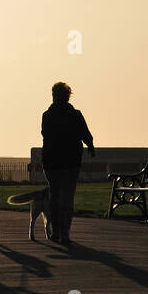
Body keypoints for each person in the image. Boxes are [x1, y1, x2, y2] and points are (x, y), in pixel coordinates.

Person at [41, 82, 94, 246]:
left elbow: (44, 133)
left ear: (53, 95)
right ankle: (65, 233)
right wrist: (90, 145)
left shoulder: (47, 115)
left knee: (55, 196)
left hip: (52, 161)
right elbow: (85, 134)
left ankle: (56, 230)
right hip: (71, 161)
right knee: (68, 197)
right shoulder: (75, 115)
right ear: (68, 96)